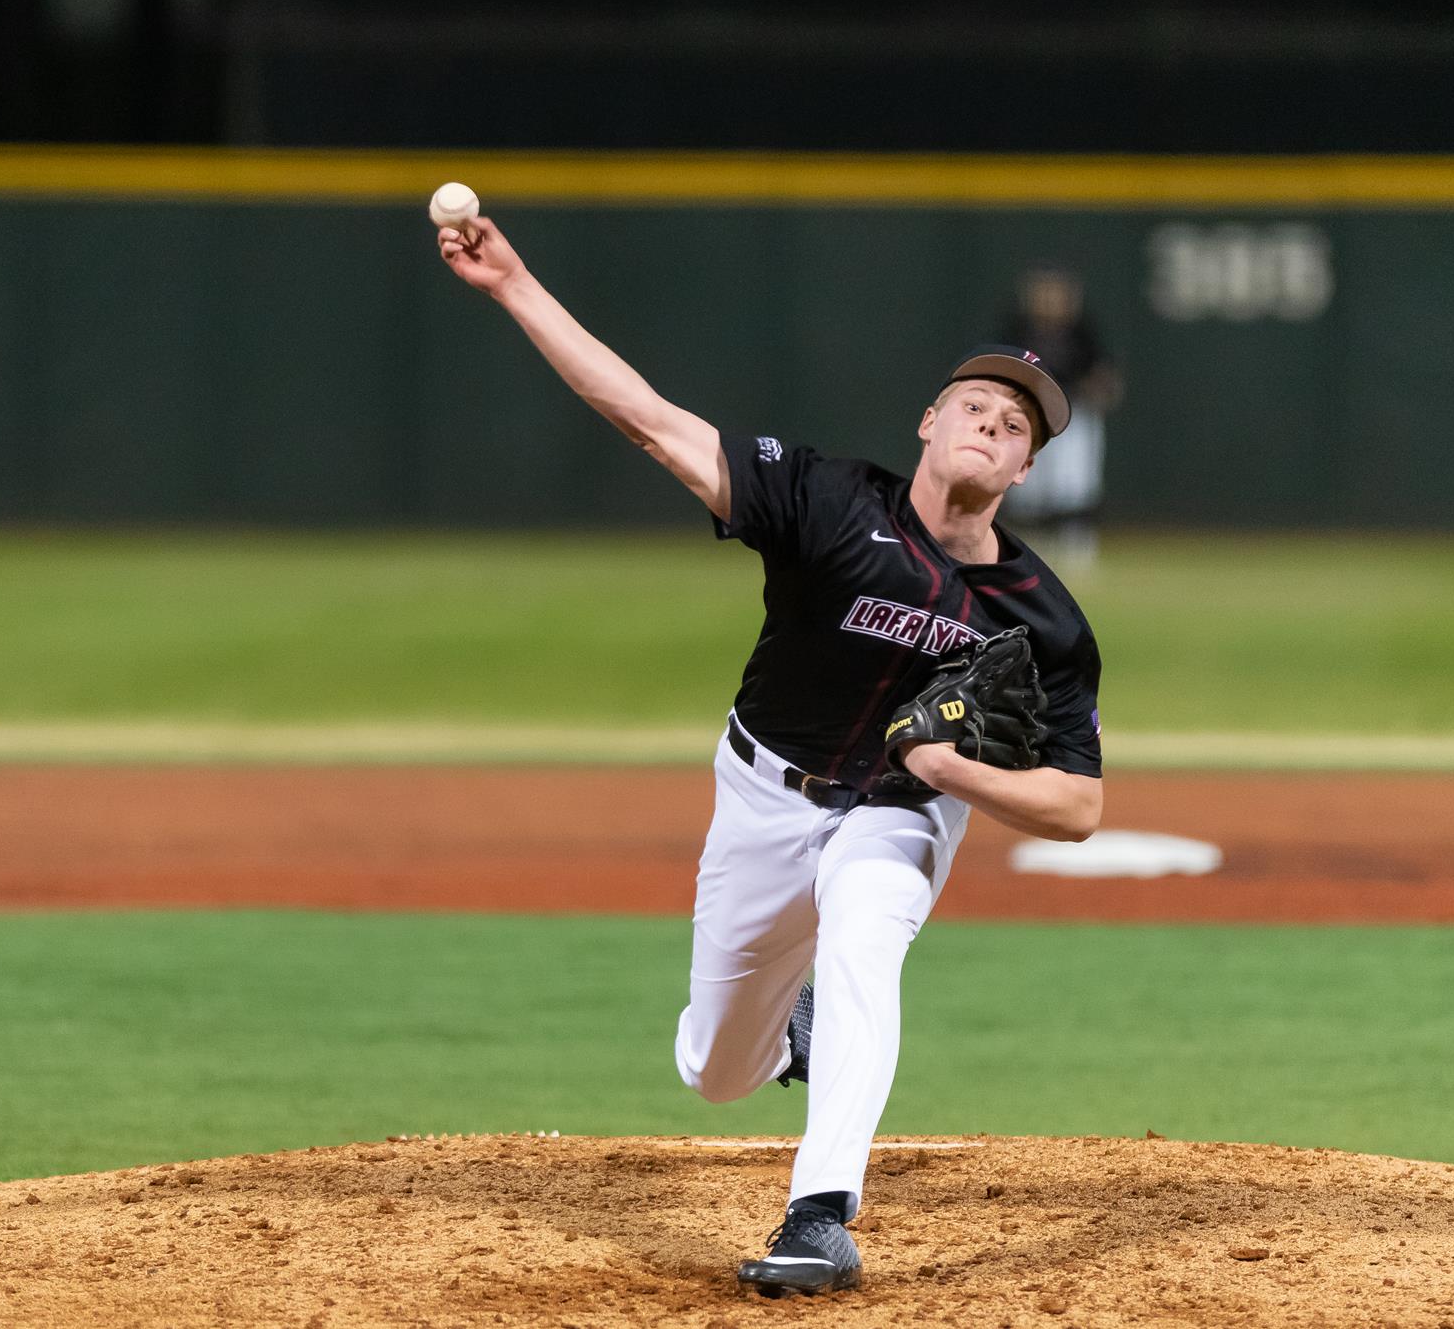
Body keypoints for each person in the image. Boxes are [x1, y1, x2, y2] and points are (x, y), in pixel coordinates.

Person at [436, 216, 1104, 1298]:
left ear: (1028, 464)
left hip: (898, 809)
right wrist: (513, 284)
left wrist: (954, 777)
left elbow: (1075, 807)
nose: (993, 420)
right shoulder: (829, 501)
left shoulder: (1042, 619)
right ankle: (781, 1030)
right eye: (976, 403)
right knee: (712, 1072)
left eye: (1017, 422)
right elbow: (652, 424)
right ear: (929, 423)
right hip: (763, 791)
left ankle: (820, 1215)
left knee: (862, 945)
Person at [996, 265, 1122, 571]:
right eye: (1044, 293)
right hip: (1029, 412)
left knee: (1074, 482)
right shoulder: (1020, 329)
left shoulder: (1080, 331)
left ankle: (1077, 546)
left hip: (1074, 412)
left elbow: (1101, 374)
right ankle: (1025, 548)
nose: (1050, 300)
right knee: (1029, 486)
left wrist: (1102, 386)